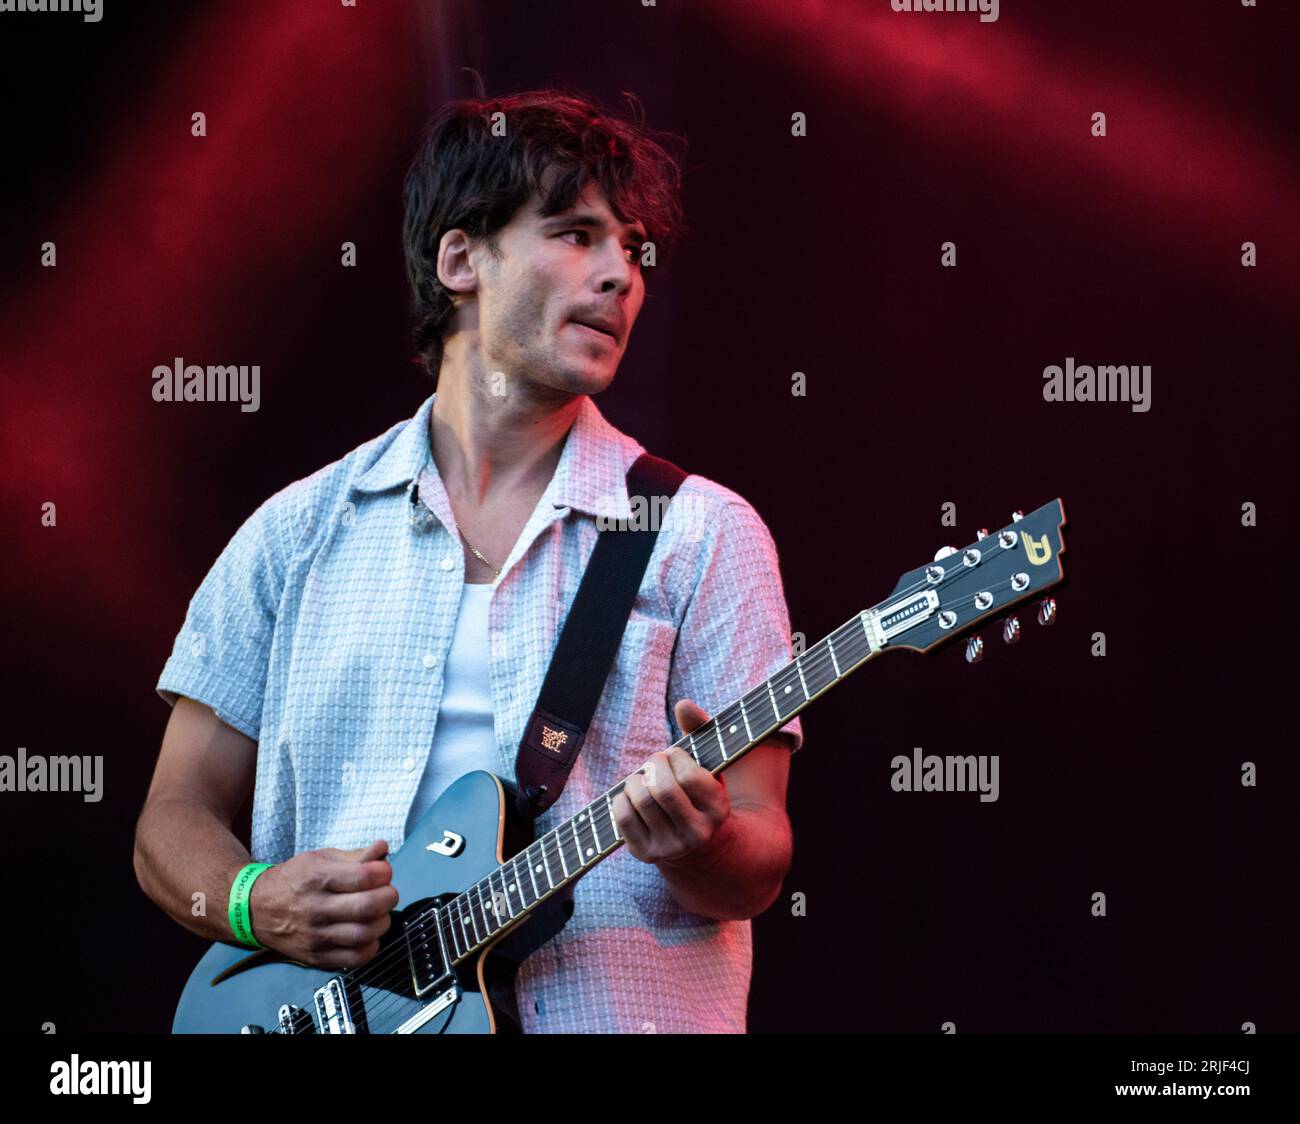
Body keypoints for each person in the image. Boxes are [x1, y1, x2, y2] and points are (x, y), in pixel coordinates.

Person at [134, 89, 804, 1034]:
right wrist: (255, 902)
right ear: (460, 259)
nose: (622, 275)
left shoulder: (703, 532)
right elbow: (172, 816)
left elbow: (760, 855)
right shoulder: (296, 533)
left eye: (632, 250)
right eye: (577, 235)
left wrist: (700, 843)